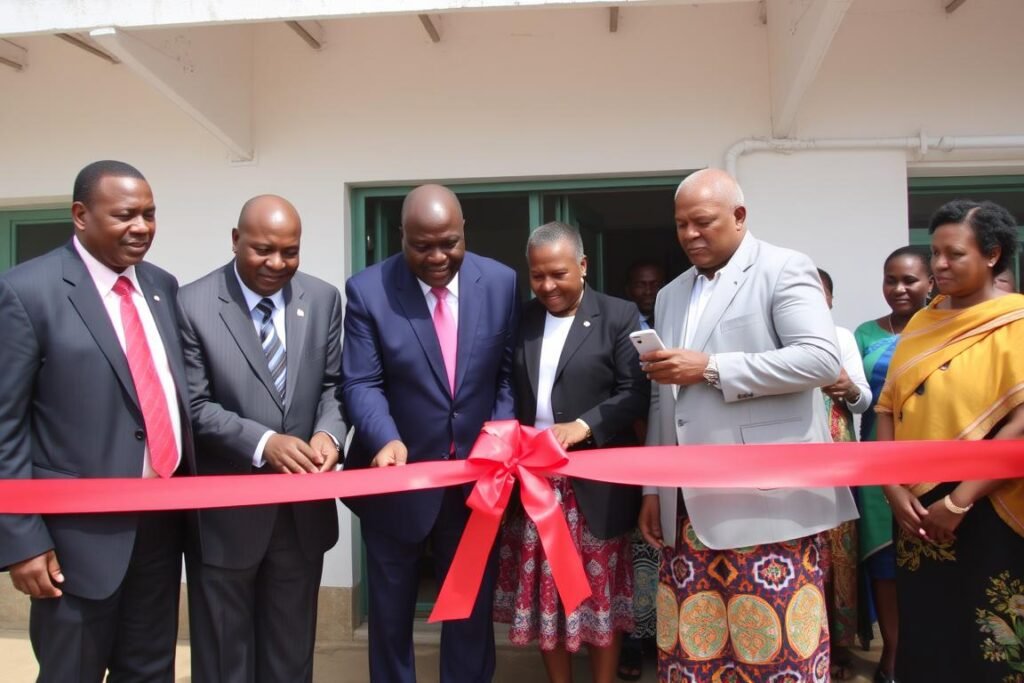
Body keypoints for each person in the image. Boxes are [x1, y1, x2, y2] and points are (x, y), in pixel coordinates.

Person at [637, 168, 858, 682]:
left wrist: (712, 367)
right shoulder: (671, 294)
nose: (690, 235)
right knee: (695, 653)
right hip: (686, 510)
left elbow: (820, 360)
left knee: (780, 652)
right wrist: (653, 487)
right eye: (681, 225)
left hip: (767, 504)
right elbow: (661, 399)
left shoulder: (784, 269)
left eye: (703, 222)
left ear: (739, 217)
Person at [0, 160, 194, 681]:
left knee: (151, 671)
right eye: (126, 215)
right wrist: (22, 539)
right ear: (81, 215)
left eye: (150, 214)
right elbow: (5, 427)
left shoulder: (161, 286)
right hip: (74, 543)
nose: (142, 227)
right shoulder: (26, 291)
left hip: (158, 529)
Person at [341, 184, 519, 683]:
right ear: (402, 237)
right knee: (391, 612)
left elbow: (506, 378)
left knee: (468, 609)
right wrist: (385, 437)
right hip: (396, 479)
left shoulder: (501, 282)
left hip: (475, 481)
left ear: (465, 232)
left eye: (449, 243)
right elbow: (361, 381)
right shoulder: (368, 290)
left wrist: (497, 437)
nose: (438, 256)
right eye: (423, 246)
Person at [178, 195, 344, 682]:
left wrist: (328, 434)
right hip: (225, 523)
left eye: (289, 251)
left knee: (291, 659)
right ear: (235, 240)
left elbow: (335, 385)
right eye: (262, 250)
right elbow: (194, 405)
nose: (277, 263)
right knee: (226, 662)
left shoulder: (322, 298)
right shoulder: (191, 304)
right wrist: (264, 442)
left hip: (301, 519)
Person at [494, 222, 649, 683]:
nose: (547, 286)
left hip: (592, 489)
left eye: (557, 274)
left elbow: (635, 393)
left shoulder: (619, 316)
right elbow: (505, 383)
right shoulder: (521, 318)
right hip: (533, 485)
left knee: (598, 598)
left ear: (582, 266)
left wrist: (583, 426)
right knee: (546, 597)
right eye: (537, 276)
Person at [878, 200, 1024, 683]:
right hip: (918, 510)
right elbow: (887, 409)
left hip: (992, 504)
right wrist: (893, 489)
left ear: (992, 255)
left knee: (994, 635)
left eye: (953, 254)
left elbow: (1020, 425)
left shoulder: (1017, 323)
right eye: (935, 252)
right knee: (929, 632)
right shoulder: (922, 323)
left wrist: (959, 502)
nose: (938, 265)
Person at [853, 246, 932, 682]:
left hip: (930, 460)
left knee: (932, 556)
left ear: (930, 283)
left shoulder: (946, 327)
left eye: (909, 280)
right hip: (876, 462)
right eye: (891, 280)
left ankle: (929, 652)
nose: (899, 289)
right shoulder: (866, 332)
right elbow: (860, 398)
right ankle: (894, 655)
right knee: (884, 564)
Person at [817, 267, 873, 680]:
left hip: (837, 461)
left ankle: (839, 645)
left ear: (831, 300)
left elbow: (863, 402)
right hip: (792, 463)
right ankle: (808, 637)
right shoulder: (774, 338)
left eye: (819, 295)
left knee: (840, 552)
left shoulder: (843, 338)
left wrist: (847, 387)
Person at [618, 259, 666, 680]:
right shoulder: (620, 325)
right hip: (631, 458)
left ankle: (665, 640)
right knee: (636, 553)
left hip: (670, 454)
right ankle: (632, 643)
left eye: (654, 283)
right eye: (640, 283)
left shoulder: (676, 320)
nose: (647, 290)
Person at [625, 259, 666, 330]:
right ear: (628, 289)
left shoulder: (675, 319)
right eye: (640, 285)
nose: (648, 292)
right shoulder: (621, 323)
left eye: (655, 285)